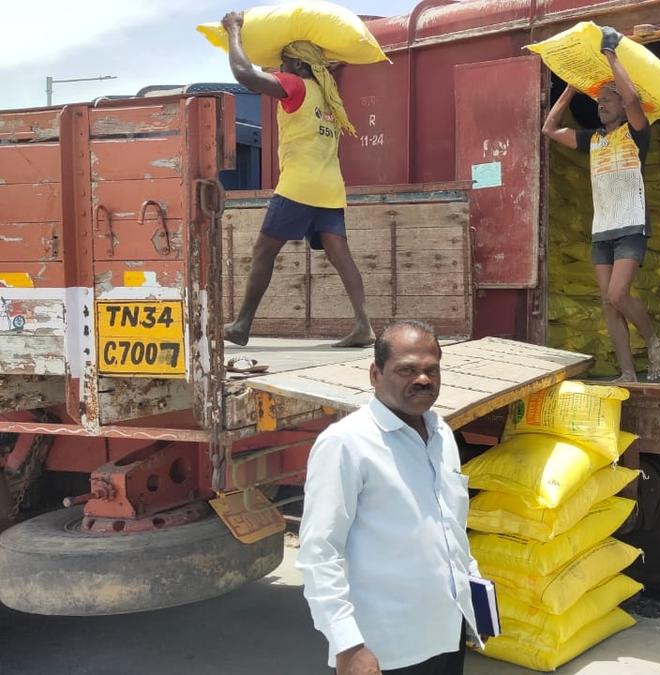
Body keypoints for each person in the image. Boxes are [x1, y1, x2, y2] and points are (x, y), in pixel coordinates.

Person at [297, 320, 481, 675]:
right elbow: (320, 553)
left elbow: (450, 528)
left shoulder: (440, 432)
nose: (423, 379)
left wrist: (474, 601)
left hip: (447, 634)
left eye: (431, 370)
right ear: (375, 374)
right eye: (406, 370)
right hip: (385, 649)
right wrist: (348, 645)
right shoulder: (346, 444)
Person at [219, 11, 374, 348]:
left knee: (263, 251)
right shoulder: (328, 95)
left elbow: (244, 74)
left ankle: (242, 324)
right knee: (340, 255)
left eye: (284, 63)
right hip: (330, 188)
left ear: (299, 67)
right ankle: (364, 325)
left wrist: (233, 31)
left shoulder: (296, 85)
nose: (280, 70)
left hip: (300, 186)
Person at [542, 26, 660, 382]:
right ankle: (628, 373)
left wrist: (611, 56)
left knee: (618, 294)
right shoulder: (592, 140)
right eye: (598, 101)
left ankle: (653, 340)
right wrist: (570, 86)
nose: (602, 104)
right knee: (608, 303)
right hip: (603, 230)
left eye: (607, 99)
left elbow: (632, 101)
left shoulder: (636, 132)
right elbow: (549, 129)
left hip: (631, 225)